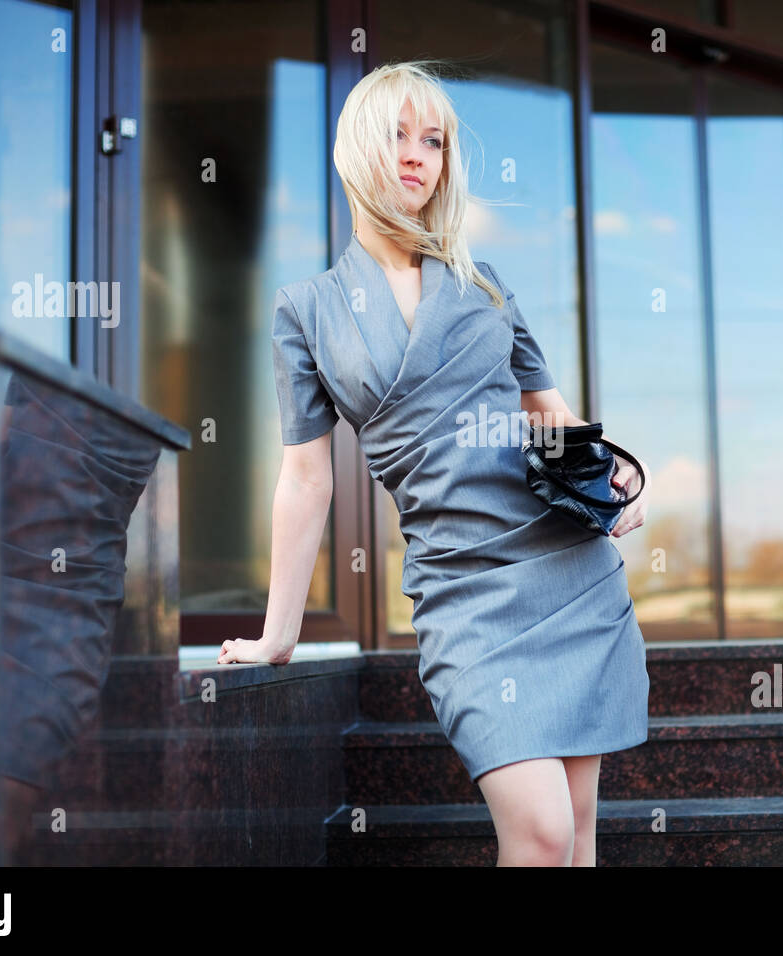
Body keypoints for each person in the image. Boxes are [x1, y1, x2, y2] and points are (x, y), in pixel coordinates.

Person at [218, 60, 651, 867]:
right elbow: (307, 478)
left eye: (436, 140)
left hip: (570, 572)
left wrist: (620, 483)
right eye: (399, 134)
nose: (419, 155)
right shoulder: (304, 310)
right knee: (543, 830)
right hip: (463, 593)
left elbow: (554, 425)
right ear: (355, 147)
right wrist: (280, 634)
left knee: (579, 830)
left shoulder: (485, 285)